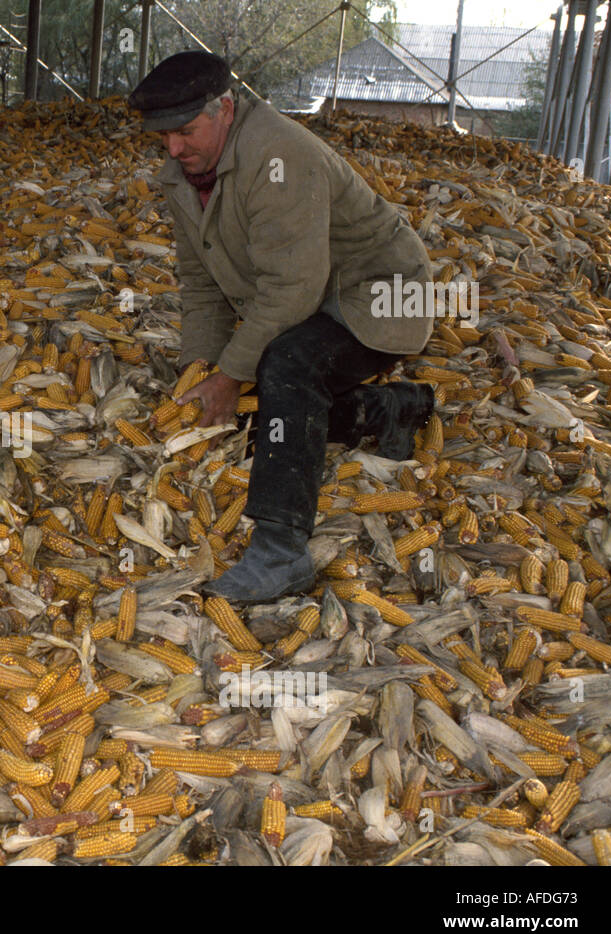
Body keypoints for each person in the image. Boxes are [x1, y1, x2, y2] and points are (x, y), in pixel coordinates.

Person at [128, 51, 437, 602]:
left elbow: (291, 290)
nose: (174, 149)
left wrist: (230, 374)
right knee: (257, 416)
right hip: (319, 296)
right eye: (163, 136)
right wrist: (199, 374)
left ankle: (280, 551)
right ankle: (386, 411)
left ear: (224, 108)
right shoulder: (185, 173)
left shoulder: (279, 155)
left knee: (287, 364)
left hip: (380, 294)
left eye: (185, 131)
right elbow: (202, 287)